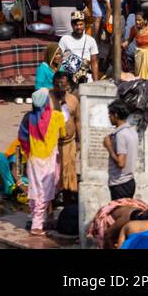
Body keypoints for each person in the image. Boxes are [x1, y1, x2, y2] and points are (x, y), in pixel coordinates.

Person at [19, 87, 65, 235]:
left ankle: (36, 218)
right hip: (49, 159)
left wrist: (29, 152)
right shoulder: (57, 116)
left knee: (34, 190)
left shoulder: (28, 118)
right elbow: (64, 134)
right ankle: (37, 226)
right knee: (44, 192)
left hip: (33, 159)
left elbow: (22, 139)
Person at [51, 70, 80, 200]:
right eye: (58, 85)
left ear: (68, 85)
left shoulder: (73, 100)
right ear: (53, 84)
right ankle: (51, 203)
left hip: (70, 143)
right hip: (52, 145)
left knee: (69, 176)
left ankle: (68, 201)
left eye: (63, 85)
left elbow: (78, 121)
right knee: (52, 176)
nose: (60, 88)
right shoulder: (47, 99)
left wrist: (80, 142)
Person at [105, 100, 139, 200]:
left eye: (109, 115)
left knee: (119, 213)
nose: (109, 118)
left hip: (120, 183)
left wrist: (109, 147)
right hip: (128, 181)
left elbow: (121, 163)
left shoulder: (121, 134)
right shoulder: (131, 131)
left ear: (115, 115)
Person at [55, 11, 99, 83]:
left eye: (81, 24)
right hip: (69, 78)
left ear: (85, 24)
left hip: (87, 77)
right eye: (76, 25)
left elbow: (94, 62)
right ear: (71, 25)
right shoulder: (64, 39)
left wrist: (96, 82)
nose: (79, 27)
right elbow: (58, 60)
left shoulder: (91, 40)